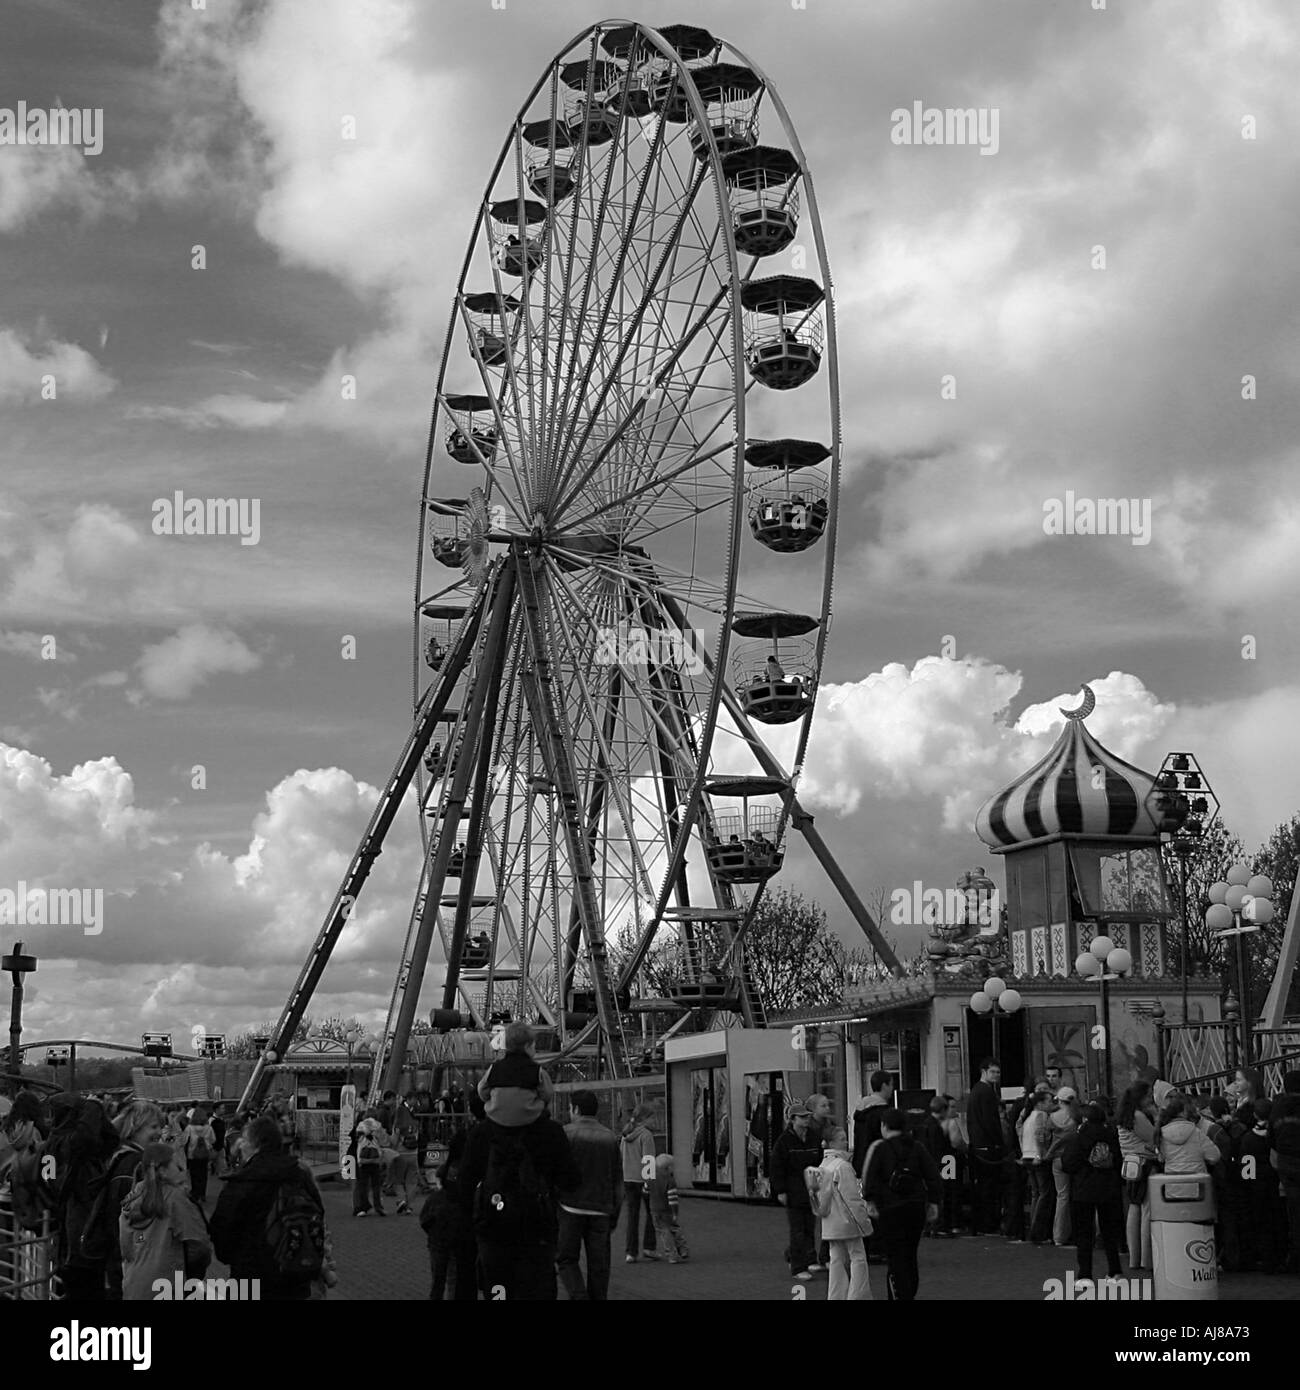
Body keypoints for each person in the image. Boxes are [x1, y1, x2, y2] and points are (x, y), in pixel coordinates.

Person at [459, 1106, 581, 1300]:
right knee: (536, 1287)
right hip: (537, 1230)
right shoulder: (550, 1131)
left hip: (493, 1231)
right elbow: (571, 1181)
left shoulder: (482, 1132)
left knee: (498, 1287)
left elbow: (464, 1185)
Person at [209, 1115, 326, 1300]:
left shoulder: (241, 1182)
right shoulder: (298, 1174)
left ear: (254, 1144)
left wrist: (232, 1257)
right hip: (294, 1274)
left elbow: (222, 1230)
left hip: (249, 1278)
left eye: (244, 1140)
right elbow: (318, 1212)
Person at [862, 1107, 941, 1301]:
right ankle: (908, 1293)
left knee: (895, 1258)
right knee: (910, 1255)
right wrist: (934, 1202)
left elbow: (870, 1179)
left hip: (890, 1208)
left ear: (884, 1126)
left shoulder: (880, 1148)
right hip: (915, 1206)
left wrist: (870, 1201)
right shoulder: (917, 1147)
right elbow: (933, 1177)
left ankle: (899, 1295)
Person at [118, 1142, 211, 1300]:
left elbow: (126, 1246)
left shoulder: (133, 1196)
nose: (184, 1171)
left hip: (134, 1283)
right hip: (167, 1284)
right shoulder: (175, 1199)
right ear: (163, 1171)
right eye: (178, 1167)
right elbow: (199, 1245)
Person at [556, 1091, 624, 1300]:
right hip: (601, 1208)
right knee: (599, 1264)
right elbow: (617, 1180)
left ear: (576, 1109)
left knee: (566, 1258)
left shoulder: (565, 1134)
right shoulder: (610, 1137)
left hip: (570, 1206)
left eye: (570, 1108)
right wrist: (615, 1212)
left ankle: (579, 1295)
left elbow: (557, 1172)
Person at [1062, 1102, 1124, 1285]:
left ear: (1085, 1119)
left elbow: (1068, 1164)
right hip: (1108, 1189)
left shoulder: (1078, 1137)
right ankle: (1115, 1272)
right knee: (1109, 1233)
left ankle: (1085, 1275)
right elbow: (1119, 1160)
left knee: (1083, 1234)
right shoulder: (1112, 1136)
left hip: (1083, 1189)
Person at [814, 1126, 872, 1299]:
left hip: (830, 1222)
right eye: (842, 1139)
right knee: (858, 1258)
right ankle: (858, 1296)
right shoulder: (843, 1167)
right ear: (831, 1143)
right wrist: (864, 1222)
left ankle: (836, 1295)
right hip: (848, 1221)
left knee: (836, 1260)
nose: (846, 1142)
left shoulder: (822, 1165)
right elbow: (852, 1199)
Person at [770, 1102, 823, 1280]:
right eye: (802, 1117)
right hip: (793, 1191)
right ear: (792, 1119)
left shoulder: (814, 1137)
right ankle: (798, 1267)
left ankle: (808, 1258)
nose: (806, 1119)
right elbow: (777, 1167)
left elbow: (820, 1161)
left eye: (807, 1116)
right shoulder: (784, 1141)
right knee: (797, 1229)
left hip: (812, 1189)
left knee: (810, 1227)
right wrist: (780, 1191)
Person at [477, 1022, 555, 1127]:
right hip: (530, 1117)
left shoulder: (495, 1068)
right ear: (527, 1046)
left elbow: (482, 1090)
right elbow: (547, 1093)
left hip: (497, 1118)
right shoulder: (537, 1070)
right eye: (533, 1046)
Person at [1239, 1098, 1283, 1273]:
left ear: (1255, 1114)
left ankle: (1266, 1260)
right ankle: (1280, 1257)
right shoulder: (1278, 1134)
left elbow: (1245, 1167)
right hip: (1276, 1183)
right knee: (1279, 1221)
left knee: (1262, 1223)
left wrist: (1248, 1184)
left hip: (1257, 1186)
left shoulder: (1249, 1139)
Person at [1116, 1080, 1157, 1269]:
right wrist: (1157, 1116)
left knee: (1134, 1208)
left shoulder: (1124, 1116)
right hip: (1145, 1163)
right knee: (1147, 1210)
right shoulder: (1139, 1116)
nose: (1151, 1099)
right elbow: (1153, 1137)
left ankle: (1134, 1258)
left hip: (1130, 1164)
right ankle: (1146, 1259)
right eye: (1148, 1095)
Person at [966, 1058, 1004, 1237]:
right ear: (984, 1071)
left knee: (982, 1187)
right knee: (990, 1188)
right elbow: (990, 1121)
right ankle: (988, 1224)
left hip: (978, 1144)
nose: (996, 1075)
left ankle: (981, 1224)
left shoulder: (976, 1091)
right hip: (988, 1146)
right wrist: (998, 1142)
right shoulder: (987, 1092)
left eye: (998, 1072)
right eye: (993, 1072)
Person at [1268, 1067, 1300, 1273]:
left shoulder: (1278, 1108)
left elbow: (1271, 1137)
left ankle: (1296, 1258)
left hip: (1286, 1164)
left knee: (1294, 1212)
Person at [619, 1103, 659, 1263]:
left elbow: (621, 1156)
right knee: (652, 1213)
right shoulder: (646, 1135)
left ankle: (631, 1252)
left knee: (632, 1216)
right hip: (643, 1179)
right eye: (652, 1117)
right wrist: (650, 1182)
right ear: (645, 1119)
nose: (654, 1120)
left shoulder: (625, 1134)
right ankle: (649, 1247)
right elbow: (648, 1160)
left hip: (628, 1179)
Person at [1045, 1086, 1081, 1246]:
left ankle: (1059, 1236)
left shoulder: (1052, 1117)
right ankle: (1078, 1231)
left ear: (1059, 1100)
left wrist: (1045, 1152)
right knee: (1077, 1195)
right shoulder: (1077, 1117)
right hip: (1075, 1158)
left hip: (1058, 1158)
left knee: (1062, 1196)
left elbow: (1044, 1136)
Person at [1019, 1089, 1056, 1245]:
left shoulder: (1028, 1117)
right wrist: (1042, 1155)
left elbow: (1021, 1134)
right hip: (1037, 1156)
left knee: (1036, 1194)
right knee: (1044, 1194)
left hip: (1027, 1155)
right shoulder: (1041, 1115)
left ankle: (1034, 1229)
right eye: (1048, 1101)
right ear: (1040, 1103)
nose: (1051, 1104)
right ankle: (1038, 1232)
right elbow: (1040, 1136)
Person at [1156, 1094, 1222, 1173]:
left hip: (1172, 1182)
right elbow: (1215, 1156)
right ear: (1184, 1112)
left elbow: (1161, 1158)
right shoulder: (1197, 1132)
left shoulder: (1162, 1134)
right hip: (1197, 1182)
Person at [647, 1153, 689, 1263]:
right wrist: (675, 1212)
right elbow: (673, 1199)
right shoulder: (670, 1181)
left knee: (663, 1232)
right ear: (668, 1168)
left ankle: (671, 1255)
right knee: (675, 1228)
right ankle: (683, 1248)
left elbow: (645, 1190)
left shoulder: (651, 1178)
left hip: (655, 1209)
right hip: (668, 1210)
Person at [851, 1071, 894, 1178]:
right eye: (891, 1084)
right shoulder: (885, 1113)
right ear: (884, 1086)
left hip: (860, 1164)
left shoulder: (860, 1110)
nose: (892, 1089)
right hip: (879, 1167)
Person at [350, 1109, 391, 1218]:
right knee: (376, 1185)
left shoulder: (360, 1125)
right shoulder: (378, 1125)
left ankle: (362, 1208)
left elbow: (356, 1138)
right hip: (376, 1159)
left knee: (363, 1185)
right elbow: (384, 1141)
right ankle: (378, 1207)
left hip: (363, 1160)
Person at [181, 1107, 217, 1206]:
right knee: (203, 1173)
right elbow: (213, 1140)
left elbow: (184, 1141)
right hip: (205, 1154)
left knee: (194, 1173)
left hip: (192, 1154)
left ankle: (195, 1193)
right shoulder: (209, 1128)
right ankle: (202, 1193)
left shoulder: (189, 1128)